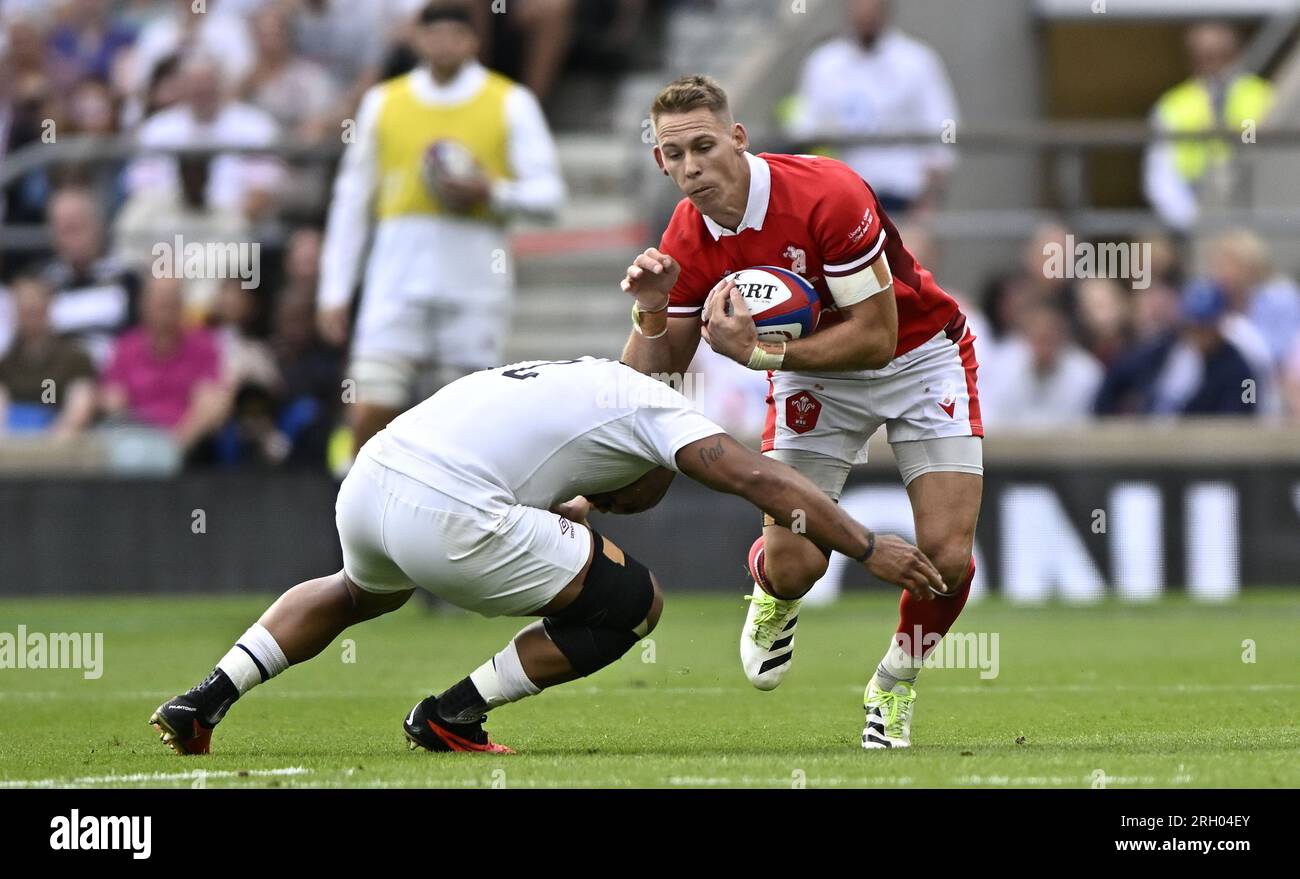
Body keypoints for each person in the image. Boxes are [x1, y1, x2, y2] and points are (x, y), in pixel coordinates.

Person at [148, 356, 943, 755]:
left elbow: (542, 452)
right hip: (450, 509)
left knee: (359, 590)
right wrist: (867, 545)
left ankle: (205, 697)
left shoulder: (582, 377)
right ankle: (451, 712)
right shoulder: (661, 415)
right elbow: (760, 477)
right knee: (636, 603)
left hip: (371, 479)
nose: (624, 504)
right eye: (635, 495)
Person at [621, 74, 981, 749]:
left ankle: (893, 685)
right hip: (811, 375)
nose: (691, 167)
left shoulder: (827, 194)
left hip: (916, 354)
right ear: (659, 161)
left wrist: (759, 354)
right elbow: (656, 378)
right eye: (674, 155)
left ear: (738, 138)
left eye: (704, 145)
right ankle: (771, 590)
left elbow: (876, 337)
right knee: (796, 567)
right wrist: (650, 308)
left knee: (948, 557)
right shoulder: (684, 236)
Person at [317, 1, 564, 459]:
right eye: (435, 34)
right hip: (396, 282)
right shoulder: (384, 102)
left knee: (464, 424)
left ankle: (450, 523)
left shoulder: (509, 101)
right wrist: (334, 289)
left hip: (473, 285)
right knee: (371, 405)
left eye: (456, 35)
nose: (445, 44)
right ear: (417, 38)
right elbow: (352, 200)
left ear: (472, 42)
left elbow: (549, 196)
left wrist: (491, 191)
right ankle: (362, 515)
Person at [783, 0, 958, 218]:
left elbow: (942, 132)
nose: (865, 11)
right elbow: (802, 130)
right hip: (844, 199)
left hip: (905, 198)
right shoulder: (823, 63)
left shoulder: (918, 61)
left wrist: (926, 209)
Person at [1143, 21, 1273, 231]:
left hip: (1257, 209)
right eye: (1205, 57)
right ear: (1192, 60)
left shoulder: (1266, 98)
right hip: (1195, 210)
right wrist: (1196, 222)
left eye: (1223, 56)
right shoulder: (1173, 107)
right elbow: (1161, 181)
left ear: (1238, 53)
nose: (1214, 66)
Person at [0, 275, 98, 439]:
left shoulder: (75, 358)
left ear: (48, 308)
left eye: (35, 311)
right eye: (24, 311)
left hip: (60, 436)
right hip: (12, 437)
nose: (30, 319)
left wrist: (51, 442)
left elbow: (80, 406)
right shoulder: (6, 362)